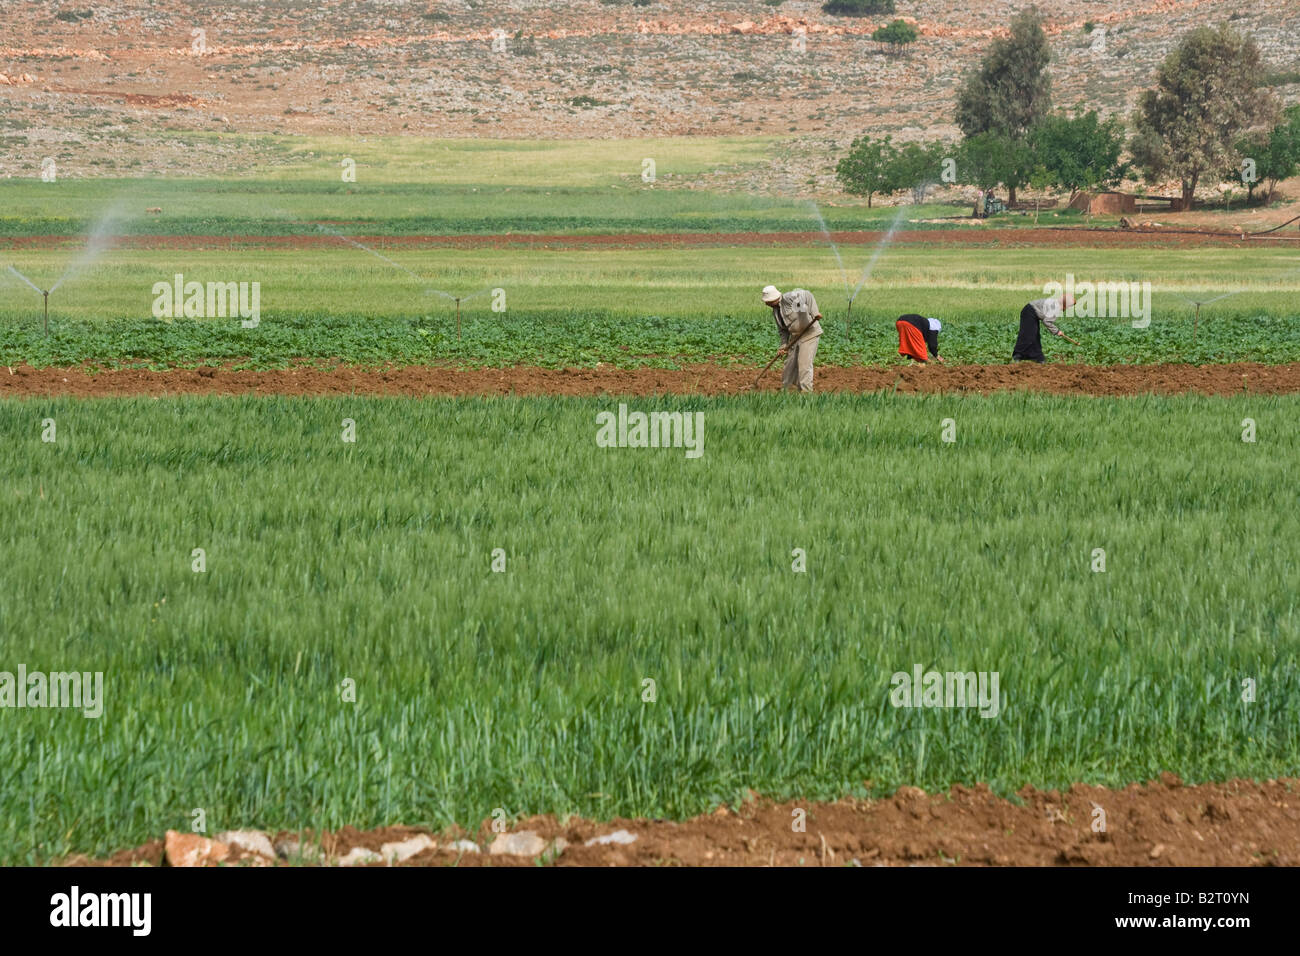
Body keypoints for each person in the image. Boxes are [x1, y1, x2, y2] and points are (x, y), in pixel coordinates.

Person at [761, 285, 823, 392]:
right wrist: (783, 345)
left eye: (767, 301)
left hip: (809, 334)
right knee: (789, 366)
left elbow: (807, 294)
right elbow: (783, 331)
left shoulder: (788, 298)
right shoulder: (775, 312)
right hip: (795, 337)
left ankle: (806, 393)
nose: (766, 304)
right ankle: (787, 391)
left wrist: (814, 313)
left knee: (804, 365)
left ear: (772, 299)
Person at [1012, 294, 1074, 362]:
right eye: (1069, 306)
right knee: (1028, 335)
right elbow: (1047, 321)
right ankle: (1018, 355)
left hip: (1032, 313)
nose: (1068, 308)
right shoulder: (1056, 308)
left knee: (1035, 335)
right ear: (1065, 304)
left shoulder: (1056, 304)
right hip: (1029, 312)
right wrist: (1057, 331)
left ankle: (1038, 357)